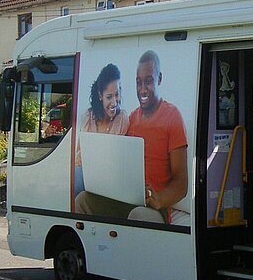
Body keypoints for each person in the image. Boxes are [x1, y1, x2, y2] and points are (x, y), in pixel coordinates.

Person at [75, 51, 189, 225]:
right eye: (138, 82)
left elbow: (181, 182)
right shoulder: (132, 119)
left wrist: (159, 199)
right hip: (125, 201)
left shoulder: (172, 116)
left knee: (138, 215)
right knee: (82, 200)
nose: (142, 89)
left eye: (148, 81)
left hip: (152, 207)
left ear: (159, 79)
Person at [74, 63, 129, 197]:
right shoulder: (88, 117)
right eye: (109, 97)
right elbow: (78, 157)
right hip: (87, 174)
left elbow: (118, 159)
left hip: (109, 177)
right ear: (100, 95)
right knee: (76, 175)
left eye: (117, 95)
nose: (114, 102)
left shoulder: (122, 119)